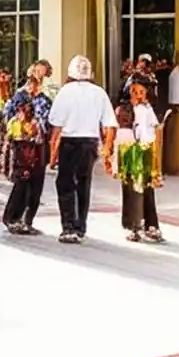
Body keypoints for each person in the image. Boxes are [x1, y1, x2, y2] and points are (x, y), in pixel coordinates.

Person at [48, 55, 118, 244]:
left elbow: (55, 124)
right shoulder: (99, 92)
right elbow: (111, 123)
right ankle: (80, 226)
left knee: (65, 183)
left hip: (70, 142)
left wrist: (52, 154)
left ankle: (68, 226)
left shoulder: (65, 92)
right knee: (84, 183)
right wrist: (107, 150)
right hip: (90, 142)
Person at [1, 65, 54, 234]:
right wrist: (20, 125)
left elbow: (51, 122)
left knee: (36, 184)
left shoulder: (46, 99)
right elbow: (8, 116)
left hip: (39, 146)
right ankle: (12, 217)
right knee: (22, 183)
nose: (37, 81)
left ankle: (27, 220)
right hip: (22, 146)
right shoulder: (19, 96)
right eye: (35, 77)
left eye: (41, 77)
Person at [111, 81, 162, 243]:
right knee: (131, 190)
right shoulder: (124, 110)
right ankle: (134, 227)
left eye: (141, 91)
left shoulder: (147, 109)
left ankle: (150, 225)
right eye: (134, 91)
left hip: (144, 152)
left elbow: (154, 130)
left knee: (145, 189)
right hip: (129, 152)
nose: (138, 95)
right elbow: (119, 135)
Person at [2, 103, 43, 234]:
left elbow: (38, 142)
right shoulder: (15, 123)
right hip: (22, 161)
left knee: (32, 193)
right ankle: (13, 219)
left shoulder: (35, 123)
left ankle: (25, 221)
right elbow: (11, 143)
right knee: (20, 191)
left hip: (33, 162)